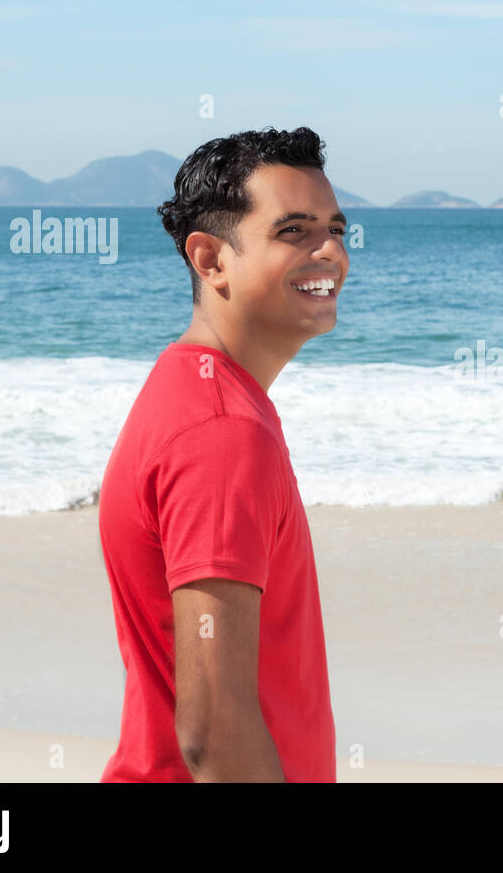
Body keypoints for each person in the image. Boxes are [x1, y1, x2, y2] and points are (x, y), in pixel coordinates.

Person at [98, 127, 347, 782]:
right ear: (210, 260)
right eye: (294, 231)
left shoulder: (199, 391)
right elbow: (214, 734)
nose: (330, 251)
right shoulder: (222, 431)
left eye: (335, 230)